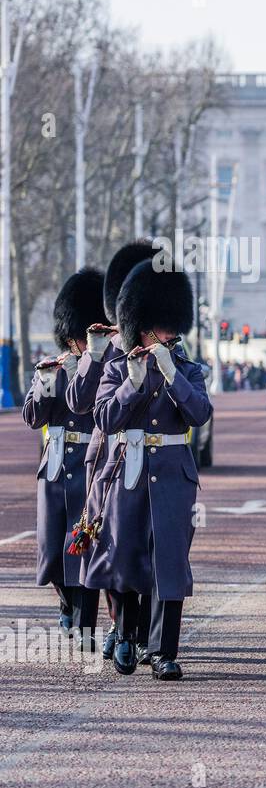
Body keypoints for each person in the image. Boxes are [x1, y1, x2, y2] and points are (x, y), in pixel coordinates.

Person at [84, 255, 213, 681]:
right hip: (128, 472)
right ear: (141, 326)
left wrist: (172, 374)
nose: (169, 334)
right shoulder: (118, 367)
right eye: (161, 327)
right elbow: (104, 419)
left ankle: (163, 651)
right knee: (126, 553)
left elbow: (199, 414)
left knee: (170, 560)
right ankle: (125, 635)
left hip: (173, 474)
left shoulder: (188, 369)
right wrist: (133, 383)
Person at [67, 239, 161, 663]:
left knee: (148, 543)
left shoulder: (165, 344)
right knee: (110, 543)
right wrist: (94, 355)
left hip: (152, 460)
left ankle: (140, 631)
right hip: (108, 455)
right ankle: (119, 625)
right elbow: (79, 401)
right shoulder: (108, 347)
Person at [24, 266, 107, 648]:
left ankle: (83, 617)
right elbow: (31, 417)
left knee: (84, 542)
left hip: (88, 462)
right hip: (54, 464)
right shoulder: (52, 366)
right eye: (73, 338)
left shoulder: (103, 367)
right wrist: (43, 384)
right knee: (51, 544)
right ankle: (65, 601)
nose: (76, 343)